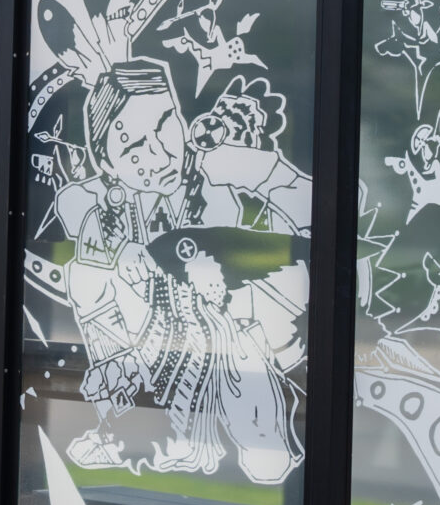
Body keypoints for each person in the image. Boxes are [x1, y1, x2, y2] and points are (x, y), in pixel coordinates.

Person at [50, 59, 310, 480]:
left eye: (166, 122)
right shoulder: (99, 211)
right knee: (88, 276)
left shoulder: (218, 184)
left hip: (226, 339)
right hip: (144, 348)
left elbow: (327, 208)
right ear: (108, 163)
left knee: (239, 343)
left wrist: (261, 167)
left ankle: (259, 437)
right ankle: (137, 430)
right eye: (133, 147)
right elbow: (93, 291)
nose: (159, 153)